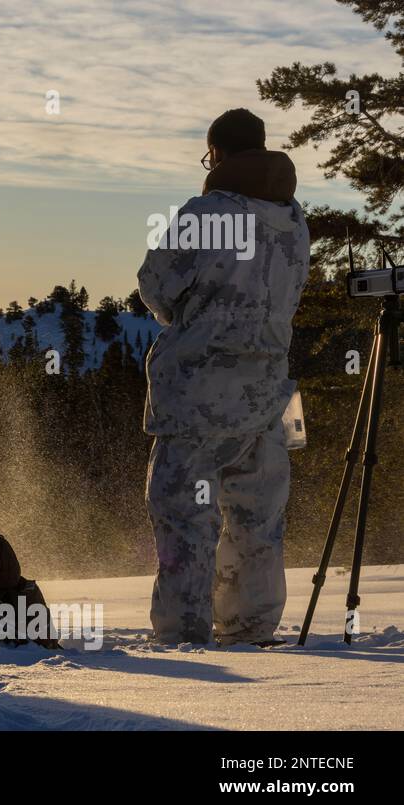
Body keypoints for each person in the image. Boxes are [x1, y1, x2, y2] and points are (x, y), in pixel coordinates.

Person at [138, 109, 310, 645]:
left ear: (217, 154)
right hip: (270, 392)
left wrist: (191, 316)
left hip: (199, 394)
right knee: (258, 522)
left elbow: (156, 285)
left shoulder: (207, 213)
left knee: (185, 517)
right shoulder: (293, 217)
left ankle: (183, 637)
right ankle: (252, 627)